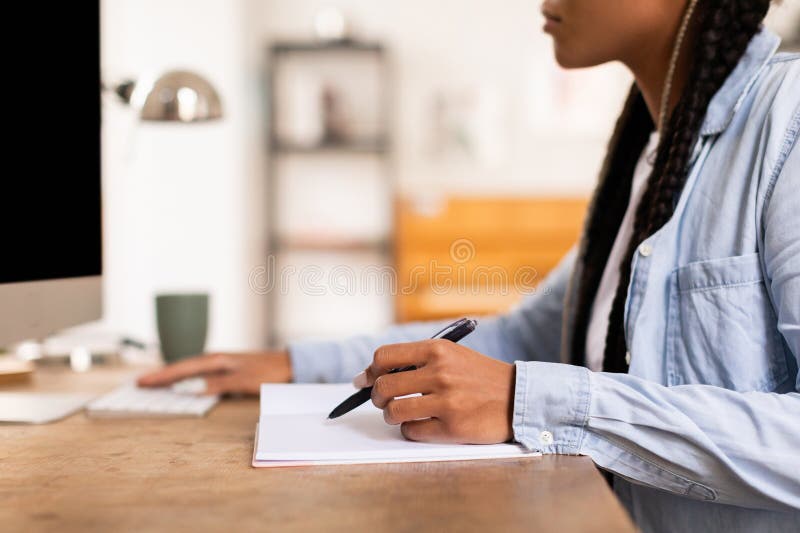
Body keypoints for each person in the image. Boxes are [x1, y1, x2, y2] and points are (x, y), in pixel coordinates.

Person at [140, 0, 799, 530]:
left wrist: (526, 399)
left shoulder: (787, 121)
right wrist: (290, 365)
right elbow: (522, 336)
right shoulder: (652, 161)